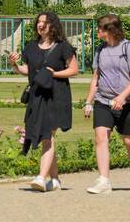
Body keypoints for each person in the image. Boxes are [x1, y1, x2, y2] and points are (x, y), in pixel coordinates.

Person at [9, 10, 79, 192]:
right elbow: (28, 70)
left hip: (57, 96)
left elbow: (73, 70)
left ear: (52, 25)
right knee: (46, 137)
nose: (40, 25)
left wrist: (52, 74)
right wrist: (15, 65)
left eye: (44, 22)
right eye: (38, 22)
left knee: (47, 135)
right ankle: (55, 179)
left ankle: (41, 177)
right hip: (37, 96)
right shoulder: (31, 46)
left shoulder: (63, 46)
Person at [83, 14, 130, 194]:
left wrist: (122, 97)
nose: (97, 31)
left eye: (100, 28)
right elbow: (96, 77)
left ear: (111, 30)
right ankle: (104, 180)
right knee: (101, 137)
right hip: (103, 101)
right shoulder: (99, 50)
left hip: (128, 102)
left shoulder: (129, 48)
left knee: (129, 141)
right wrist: (88, 102)